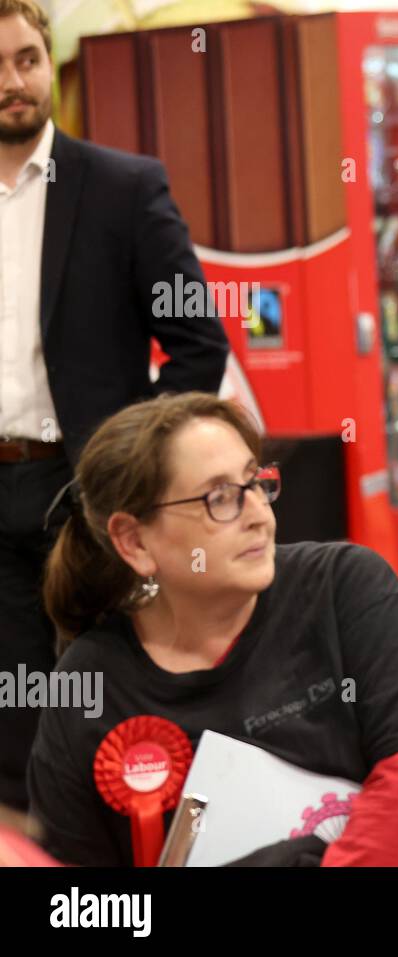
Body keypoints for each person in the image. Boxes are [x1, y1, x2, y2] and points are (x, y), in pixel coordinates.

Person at [26, 393, 398, 867]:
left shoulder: (343, 586)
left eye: (256, 482)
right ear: (134, 541)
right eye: (220, 497)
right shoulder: (90, 683)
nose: (259, 516)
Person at [0, 0, 229, 811]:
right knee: (10, 713)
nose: (13, 81)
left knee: (103, 708)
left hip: (91, 495)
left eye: (27, 58)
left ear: (46, 59)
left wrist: (128, 457)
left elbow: (200, 342)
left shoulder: (122, 187)